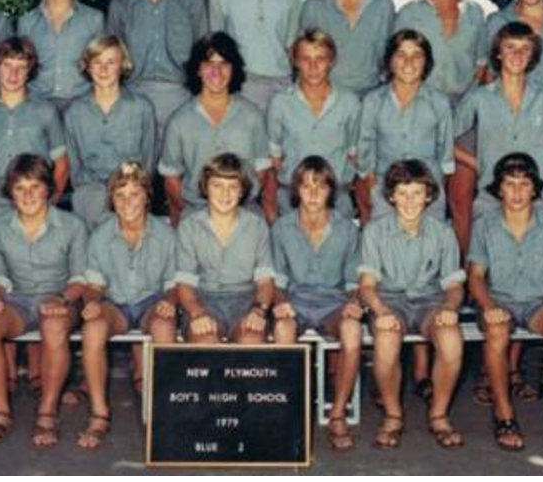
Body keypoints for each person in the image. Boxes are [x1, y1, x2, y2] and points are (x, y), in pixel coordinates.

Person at [466, 153, 543, 451]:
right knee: (497, 331)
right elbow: (476, 275)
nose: (517, 192)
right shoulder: (485, 224)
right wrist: (488, 306)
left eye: (524, 184)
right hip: (499, 302)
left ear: (535, 189)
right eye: (509, 184)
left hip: (538, 305)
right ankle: (503, 413)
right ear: (499, 189)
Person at [0, 154, 90, 448]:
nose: (28, 195)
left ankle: (47, 412)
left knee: (53, 325)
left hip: (61, 298)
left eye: (35, 187)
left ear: (49, 189)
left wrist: (60, 298)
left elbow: (81, 279)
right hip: (18, 300)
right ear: (10, 192)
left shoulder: (73, 225)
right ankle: (1, 412)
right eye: (19, 188)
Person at [358, 159, 466, 450]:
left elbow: (454, 286)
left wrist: (449, 309)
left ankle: (439, 415)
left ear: (429, 195)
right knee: (386, 341)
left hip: (430, 301)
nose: (409, 201)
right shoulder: (374, 231)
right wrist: (380, 312)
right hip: (390, 301)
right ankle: (393, 415)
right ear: (391, 195)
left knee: (451, 340)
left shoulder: (443, 232)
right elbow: (367, 286)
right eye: (402, 193)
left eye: (417, 193)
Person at [74, 161, 179, 448]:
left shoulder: (166, 234)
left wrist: (169, 302)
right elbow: (94, 285)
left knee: (164, 324)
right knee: (93, 328)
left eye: (135, 194)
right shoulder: (100, 235)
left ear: (147, 195)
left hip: (150, 302)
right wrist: (92, 303)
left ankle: (163, 414)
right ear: (111, 200)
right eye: (120, 195)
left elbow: (173, 285)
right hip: (116, 303)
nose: (127, 202)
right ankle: (98, 413)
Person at [269, 156, 363, 450]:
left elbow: (354, 282)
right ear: (295, 190)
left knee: (352, 330)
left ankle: (337, 414)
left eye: (319, 187)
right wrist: (280, 303)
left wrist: (354, 302)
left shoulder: (347, 228)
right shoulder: (282, 228)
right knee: (283, 329)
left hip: (332, 302)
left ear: (330, 191)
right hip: (295, 301)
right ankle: (287, 413)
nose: (312, 194)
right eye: (305, 186)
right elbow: (275, 280)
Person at [452, 21, 543, 237]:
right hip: (490, 198)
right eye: (510, 47)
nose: (517, 54)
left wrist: (542, 163)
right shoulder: (479, 98)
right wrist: (479, 164)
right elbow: (446, 140)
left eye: (525, 49)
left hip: (533, 199)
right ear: (498, 53)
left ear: (532, 56)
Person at [173, 153, 289, 344]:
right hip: (203, 300)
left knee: (251, 339)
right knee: (205, 339)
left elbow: (265, 282)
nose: (225, 194)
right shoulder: (189, 226)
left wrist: (258, 310)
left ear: (242, 191)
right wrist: (197, 313)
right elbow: (184, 284)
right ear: (205, 187)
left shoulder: (256, 225)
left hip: (246, 300)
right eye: (217, 186)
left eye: (232, 187)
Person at [159, 33, 274, 225]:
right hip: (197, 214)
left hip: (244, 212)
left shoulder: (252, 116)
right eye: (209, 64)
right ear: (197, 69)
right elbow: (172, 180)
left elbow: (262, 173)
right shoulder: (179, 121)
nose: (216, 71)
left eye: (224, 64)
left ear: (233, 69)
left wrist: (234, 205)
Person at [106, 0, 208, 131]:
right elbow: (111, 60)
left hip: (180, 97)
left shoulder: (191, 3)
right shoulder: (121, 6)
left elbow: (204, 57)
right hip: (133, 97)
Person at [356, 29, 456, 224]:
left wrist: (434, 192)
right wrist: (372, 186)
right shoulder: (373, 101)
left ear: (426, 61)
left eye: (417, 56)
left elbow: (445, 156)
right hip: (386, 191)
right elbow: (365, 148)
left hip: (427, 191)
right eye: (401, 55)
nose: (409, 63)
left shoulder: (439, 102)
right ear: (390, 61)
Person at [63, 35, 156, 229]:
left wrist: (128, 191)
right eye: (97, 62)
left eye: (111, 62)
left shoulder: (141, 108)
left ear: (123, 65)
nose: (103, 69)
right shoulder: (74, 112)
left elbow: (148, 161)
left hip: (130, 192)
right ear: (87, 66)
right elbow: (75, 167)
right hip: (90, 194)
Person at [0, 37, 68, 221]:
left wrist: (50, 202)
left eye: (21, 67)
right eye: (7, 65)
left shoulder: (46, 111)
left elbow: (61, 164)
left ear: (29, 72)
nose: (13, 74)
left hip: (35, 196)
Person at [266, 29, 361, 217]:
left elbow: (353, 153)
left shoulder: (349, 102)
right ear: (295, 61)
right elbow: (275, 157)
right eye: (305, 59)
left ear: (331, 60)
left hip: (336, 199)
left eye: (320, 58)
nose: (313, 66)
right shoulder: (280, 103)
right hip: (292, 200)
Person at [394, 0, 489, 103]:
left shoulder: (475, 13)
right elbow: (394, 64)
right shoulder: (409, 13)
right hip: (418, 105)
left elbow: (481, 66)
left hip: (462, 108)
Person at [18, 0, 105, 110]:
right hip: (37, 107)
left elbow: (103, 68)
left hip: (82, 107)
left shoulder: (95, 19)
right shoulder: (26, 23)